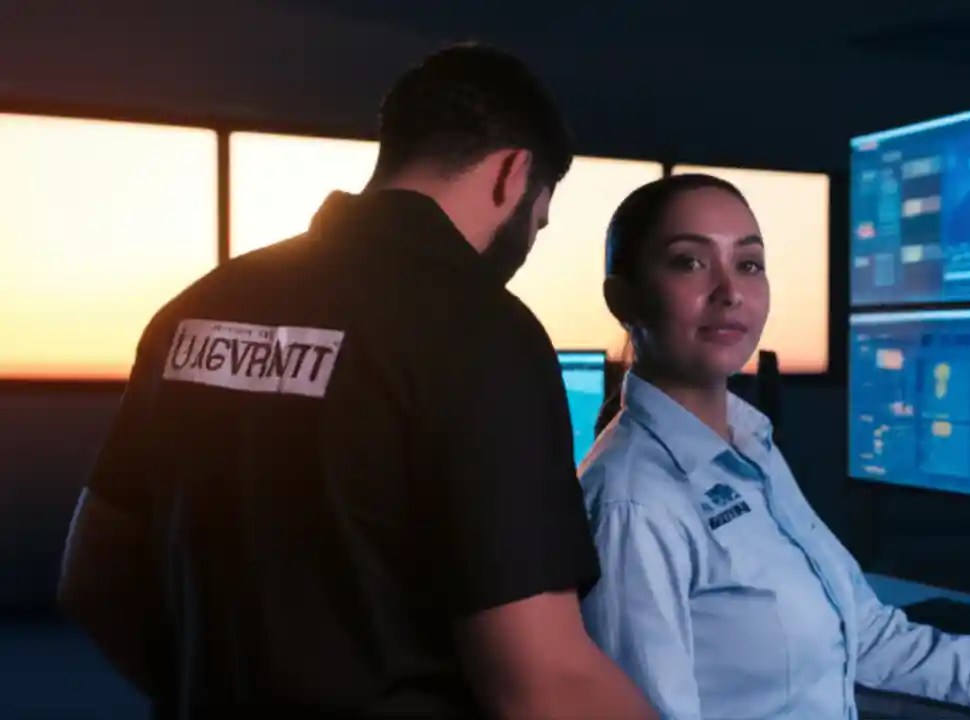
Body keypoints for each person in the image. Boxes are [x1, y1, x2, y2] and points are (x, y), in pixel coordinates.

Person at [57, 44, 656, 719]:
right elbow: (543, 682)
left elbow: (93, 578)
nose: (528, 240)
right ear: (513, 177)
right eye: (537, 221)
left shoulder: (196, 307)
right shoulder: (483, 330)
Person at [578, 174, 970, 720]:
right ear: (623, 300)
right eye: (689, 263)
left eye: (748, 263)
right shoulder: (633, 501)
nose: (730, 291)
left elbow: (867, 635)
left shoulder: (750, 447)